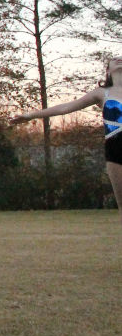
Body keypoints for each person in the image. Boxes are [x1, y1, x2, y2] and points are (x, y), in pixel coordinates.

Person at [11, 56, 122, 228]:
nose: (120, 59)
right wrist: (31, 115)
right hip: (115, 149)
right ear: (108, 70)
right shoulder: (101, 93)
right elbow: (65, 108)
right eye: (115, 59)